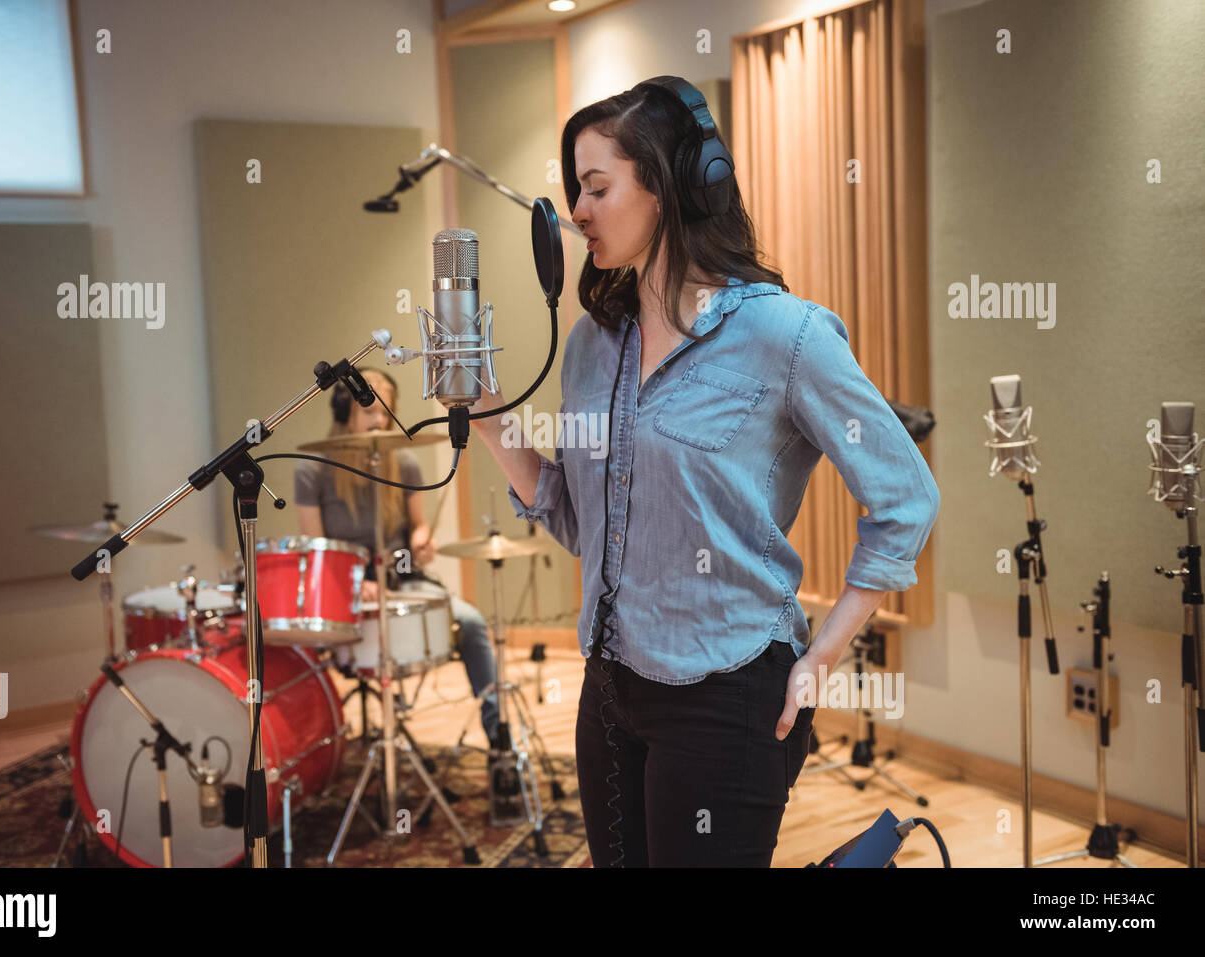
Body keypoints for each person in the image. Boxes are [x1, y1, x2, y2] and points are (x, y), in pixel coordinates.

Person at [467, 77, 940, 866]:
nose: (576, 212)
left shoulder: (783, 335)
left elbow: (906, 496)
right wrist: (484, 410)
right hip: (611, 689)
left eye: (596, 187)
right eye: (573, 190)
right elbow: (578, 520)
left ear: (672, 186)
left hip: (728, 695)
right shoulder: (592, 344)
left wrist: (820, 657)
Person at [293, 368, 500, 746]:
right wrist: (357, 584)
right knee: (292, 640)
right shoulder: (312, 469)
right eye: (370, 409)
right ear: (343, 411)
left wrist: (422, 542)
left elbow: (417, 526)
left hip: (400, 576)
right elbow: (315, 549)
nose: (380, 419)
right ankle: (314, 743)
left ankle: (498, 737)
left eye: (385, 411)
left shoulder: (403, 462)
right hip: (342, 587)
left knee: (471, 623)